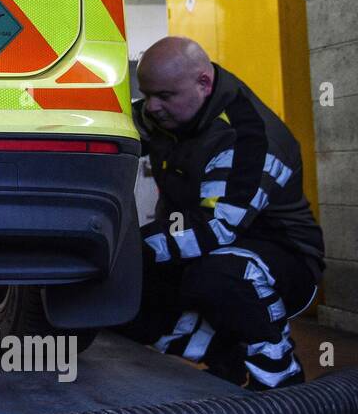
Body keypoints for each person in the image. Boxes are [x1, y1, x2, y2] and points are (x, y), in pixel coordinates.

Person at [123, 36, 324, 389]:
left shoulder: (247, 136)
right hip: (200, 247)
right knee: (118, 295)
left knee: (218, 275)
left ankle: (280, 375)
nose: (151, 107)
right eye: (147, 94)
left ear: (203, 83)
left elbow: (214, 229)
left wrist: (121, 249)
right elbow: (116, 129)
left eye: (164, 96)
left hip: (278, 258)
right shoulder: (168, 114)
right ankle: (222, 352)